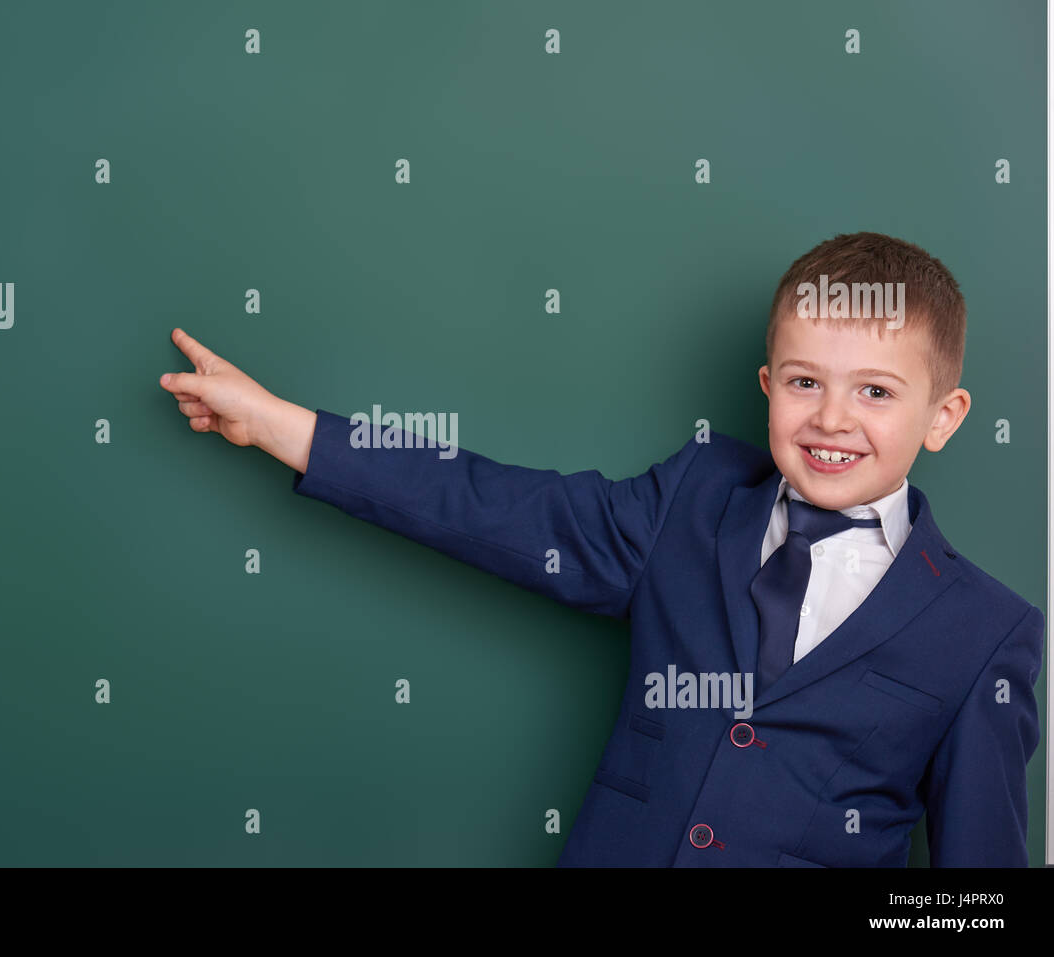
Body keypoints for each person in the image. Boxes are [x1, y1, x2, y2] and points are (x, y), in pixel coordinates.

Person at [157, 231, 1044, 866]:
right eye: (806, 382)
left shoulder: (983, 632)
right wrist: (290, 428)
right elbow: (491, 506)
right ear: (769, 385)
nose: (833, 419)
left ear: (943, 417)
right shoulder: (692, 503)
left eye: (877, 392)